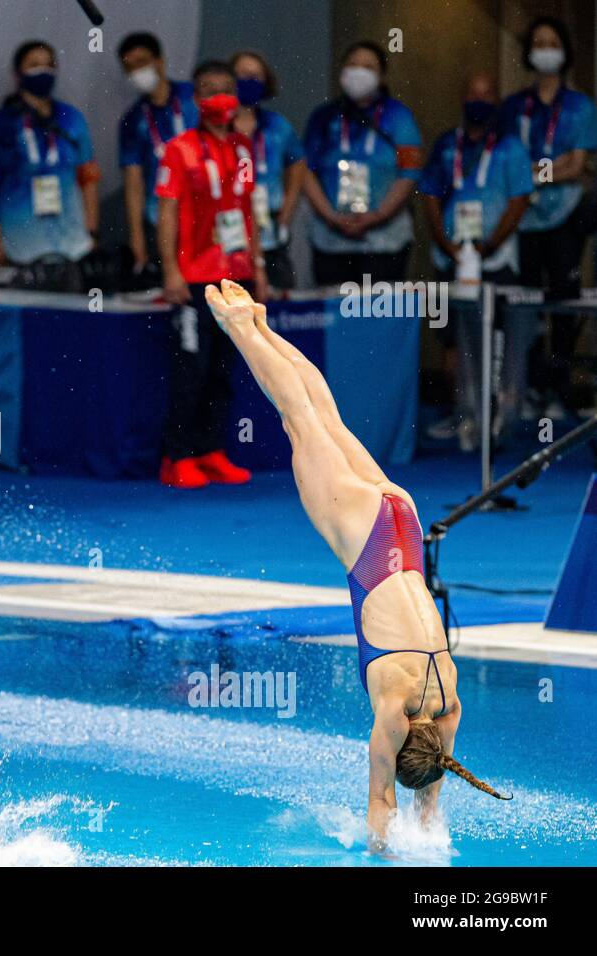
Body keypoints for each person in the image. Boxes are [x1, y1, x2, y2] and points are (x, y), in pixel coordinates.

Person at [204, 279, 512, 852]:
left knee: (327, 417)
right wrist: (383, 853)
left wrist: (426, 825)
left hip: (403, 522)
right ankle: (241, 328)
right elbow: (382, 806)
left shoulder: (449, 705)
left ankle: (264, 325)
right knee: (298, 419)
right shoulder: (394, 710)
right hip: (366, 541)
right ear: (400, 746)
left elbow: (430, 795)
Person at [156, 60, 263, 490]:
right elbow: (166, 213)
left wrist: (259, 269)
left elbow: (248, 211)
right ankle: (177, 456)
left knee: (224, 367)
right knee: (190, 368)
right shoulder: (178, 149)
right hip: (194, 278)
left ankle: (212, 450)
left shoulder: (242, 149)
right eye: (207, 89)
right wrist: (171, 271)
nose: (217, 96)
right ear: (196, 100)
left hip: (235, 276)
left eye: (225, 88)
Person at [418, 72, 534, 450]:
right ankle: (465, 416)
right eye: (473, 93)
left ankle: (501, 417)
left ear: (496, 101)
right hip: (451, 256)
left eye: (487, 94)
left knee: (498, 337)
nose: (478, 99)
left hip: (497, 259)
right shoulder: (446, 145)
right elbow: (431, 194)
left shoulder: (510, 148)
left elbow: (519, 200)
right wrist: (445, 242)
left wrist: (488, 245)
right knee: (458, 339)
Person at [499, 16, 597, 419]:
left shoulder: (579, 107)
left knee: (562, 300)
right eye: (537, 42)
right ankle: (528, 390)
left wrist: (535, 174)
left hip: (565, 216)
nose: (544, 48)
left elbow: (576, 165)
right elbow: (506, 162)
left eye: (552, 41)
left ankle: (558, 388)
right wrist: (544, 172)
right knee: (525, 303)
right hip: (524, 218)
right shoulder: (513, 107)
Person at [302, 41, 423, 286]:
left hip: (385, 241)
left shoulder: (399, 116)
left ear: (381, 76)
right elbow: (305, 171)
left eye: (368, 66)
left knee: (378, 315)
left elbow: (409, 171)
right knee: (337, 317)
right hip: (331, 239)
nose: (359, 71)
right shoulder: (324, 117)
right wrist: (332, 217)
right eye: (353, 64)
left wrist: (378, 215)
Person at [0, 40, 100, 265]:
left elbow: (88, 176)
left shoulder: (71, 117)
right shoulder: (0, 124)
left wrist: (91, 231)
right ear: (18, 75)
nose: (43, 71)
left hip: (72, 241)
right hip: (22, 242)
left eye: (48, 65)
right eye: (34, 65)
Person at [117, 31, 198, 278]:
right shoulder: (133, 120)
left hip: (207, 210)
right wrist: (137, 237)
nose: (136, 72)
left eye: (141, 62)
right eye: (129, 67)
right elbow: (133, 183)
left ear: (159, 60)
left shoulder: (192, 97)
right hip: (162, 219)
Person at [230, 50, 305, 292]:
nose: (248, 81)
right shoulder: (220, 127)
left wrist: (289, 205)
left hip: (270, 226)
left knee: (276, 299)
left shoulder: (277, 125)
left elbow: (298, 162)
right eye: (241, 75)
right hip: (231, 232)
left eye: (255, 76)